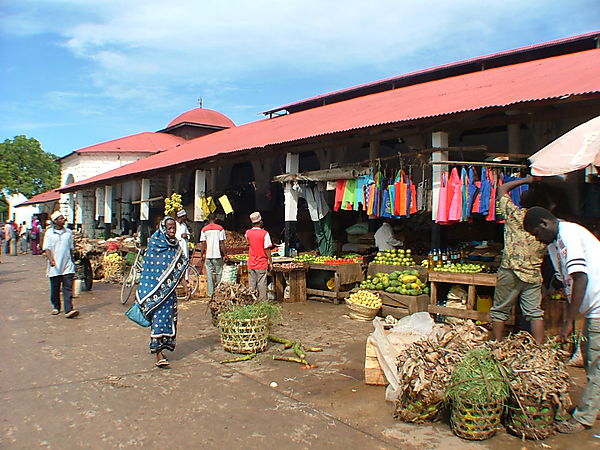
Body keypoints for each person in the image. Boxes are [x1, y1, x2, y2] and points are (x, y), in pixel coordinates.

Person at [524, 206, 599, 433]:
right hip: (591, 310)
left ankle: (584, 418)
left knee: (595, 363)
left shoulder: (569, 235)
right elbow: (564, 280)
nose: (537, 239)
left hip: (598, 309)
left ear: (545, 223)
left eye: (537, 233)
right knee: (590, 359)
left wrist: (568, 322)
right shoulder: (555, 244)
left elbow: (580, 278)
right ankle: (592, 406)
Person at [490, 176, 546, 344]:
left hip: (510, 271)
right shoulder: (546, 223)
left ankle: (498, 345)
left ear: (522, 201)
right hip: (533, 274)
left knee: (500, 311)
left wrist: (526, 180)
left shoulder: (515, 214)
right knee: (535, 313)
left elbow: (501, 189)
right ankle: (538, 349)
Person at [135, 217, 188, 368]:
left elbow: (180, 268)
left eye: (174, 228)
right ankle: (158, 353)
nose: (172, 231)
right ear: (163, 228)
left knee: (169, 321)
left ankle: (163, 349)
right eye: (169, 228)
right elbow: (149, 268)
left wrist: (185, 286)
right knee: (158, 321)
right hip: (155, 291)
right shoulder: (154, 243)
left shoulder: (176, 246)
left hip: (169, 293)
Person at [43, 211, 79, 318]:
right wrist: (51, 260)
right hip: (55, 265)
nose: (63, 220)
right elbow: (47, 249)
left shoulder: (68, 233)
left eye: (63, 218)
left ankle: (69, 309)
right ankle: (56, 307)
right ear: (55, 221)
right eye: (61, 219)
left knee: (68, 288)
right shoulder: (49, 233)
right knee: (55, 287)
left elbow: (71, 249)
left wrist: (73, 263)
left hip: (67, 264)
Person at [245, 212, 273, 301]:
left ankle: (251, 302)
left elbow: (249, 242)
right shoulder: (265, 233)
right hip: (261, 263)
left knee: (252, 285)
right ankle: (263, 303)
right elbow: (267, 249)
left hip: (251, 263)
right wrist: (270, 262)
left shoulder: (248, 233)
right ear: (261, 222)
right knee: (262, 284)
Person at [199, 213, 226, 296]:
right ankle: (219, 292)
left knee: (209, 274)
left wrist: (201, 254)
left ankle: (211, 293)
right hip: (217, 255)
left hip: (208, 255)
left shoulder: (204, 229)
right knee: (219, 273)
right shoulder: (220, 229)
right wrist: (225, 254)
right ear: (216, 218)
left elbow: (203, 244)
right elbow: (221, 243)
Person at [175, 210, 192, 297]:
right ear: (181, 217)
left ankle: (186, 279)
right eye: (184, 217)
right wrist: (180, 236)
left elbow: (188, 235)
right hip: (178, 247)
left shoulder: (184, 225)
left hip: (185, 246)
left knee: (185, 263)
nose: (185, 218)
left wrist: (186, 235)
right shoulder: (174, 225)